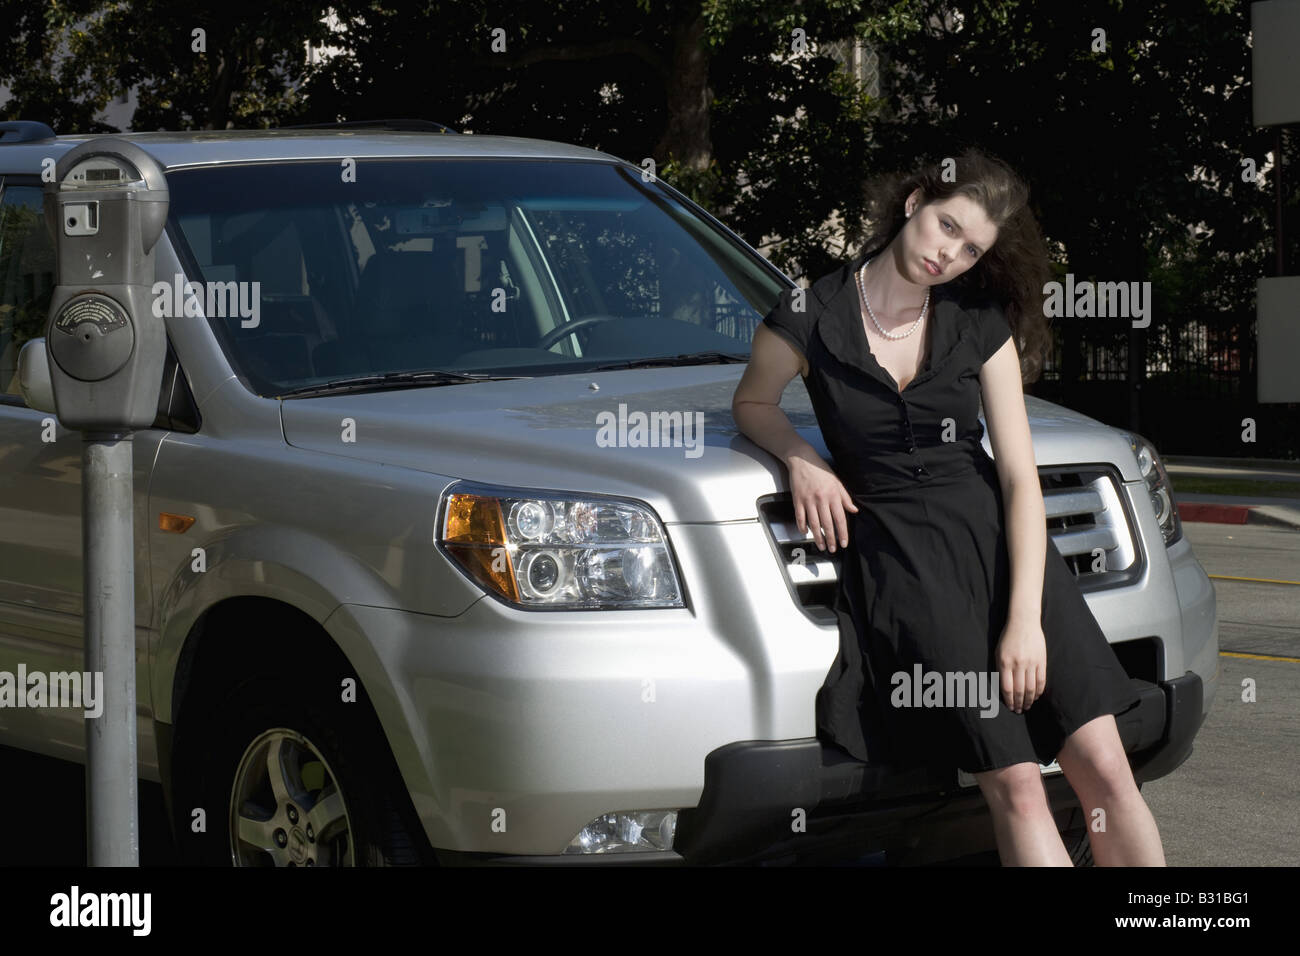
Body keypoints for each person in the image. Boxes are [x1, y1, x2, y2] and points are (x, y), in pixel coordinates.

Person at [731, 148, 1166, 866]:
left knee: (1108, 771)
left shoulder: (976, 319)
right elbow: (752, 402)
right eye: (946, 227)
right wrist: (802, 459)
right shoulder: (810, 314)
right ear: (913, 204)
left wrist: (1025, 619)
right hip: (909, 571)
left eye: (971, 248)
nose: (950, 254)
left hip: (1006, 554)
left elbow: (1021, 480)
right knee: (1019, 786)